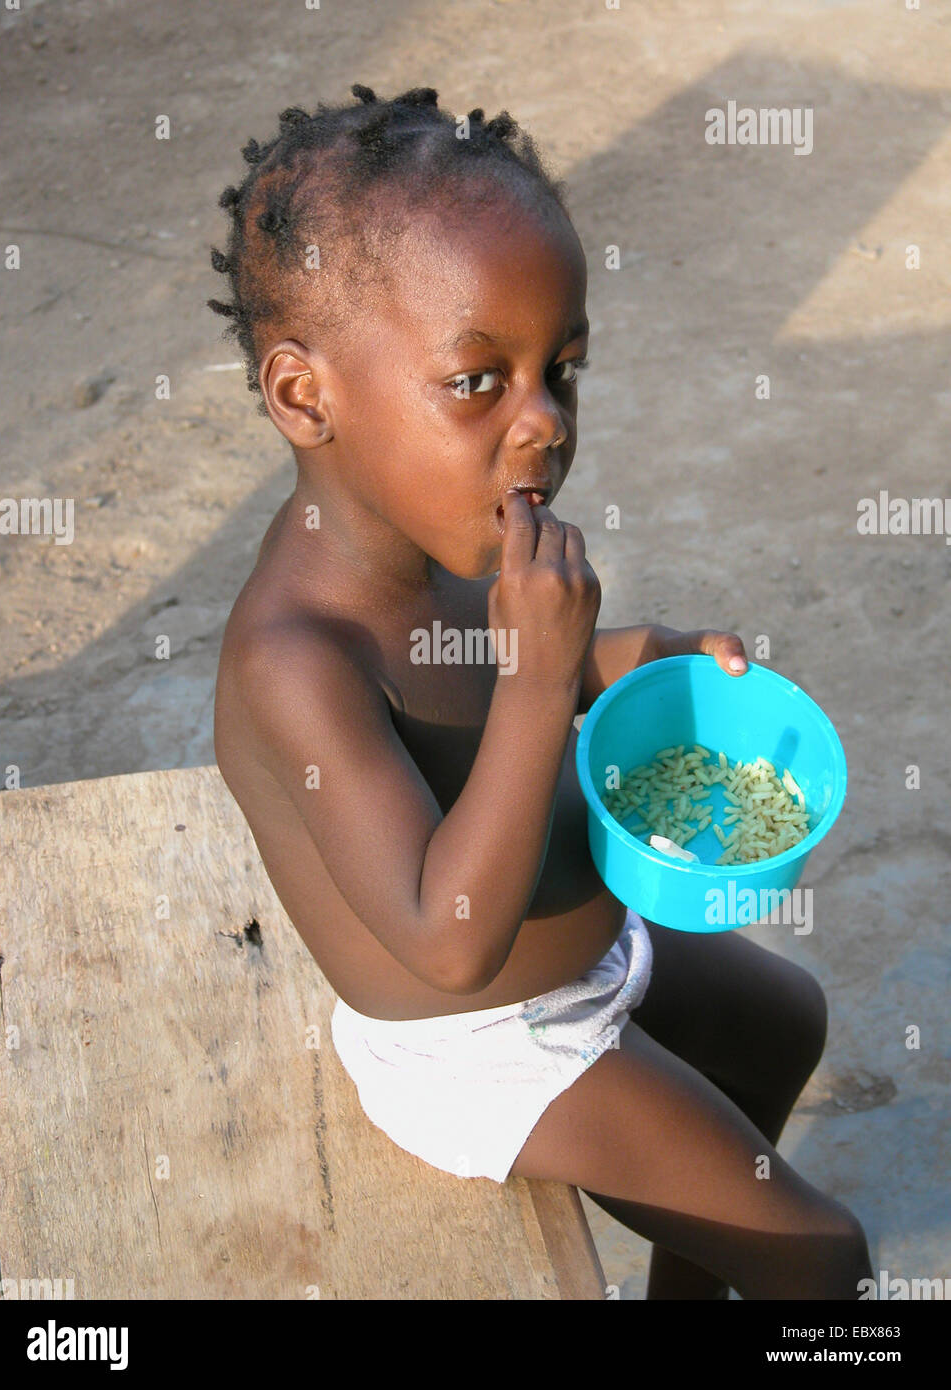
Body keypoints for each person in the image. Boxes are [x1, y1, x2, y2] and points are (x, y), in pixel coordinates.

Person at [209, 84, 873, 1300]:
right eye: (478, 382)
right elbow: (446, 940)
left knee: (784, 1023)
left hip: (582, 947)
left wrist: (633, 655)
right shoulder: (292, 661)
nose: (543, 429)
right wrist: (532, 677)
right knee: (825, 1259)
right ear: (307, 396)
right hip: (489, 1046)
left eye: (559, 370)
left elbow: (516, 676)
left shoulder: (445, 524)